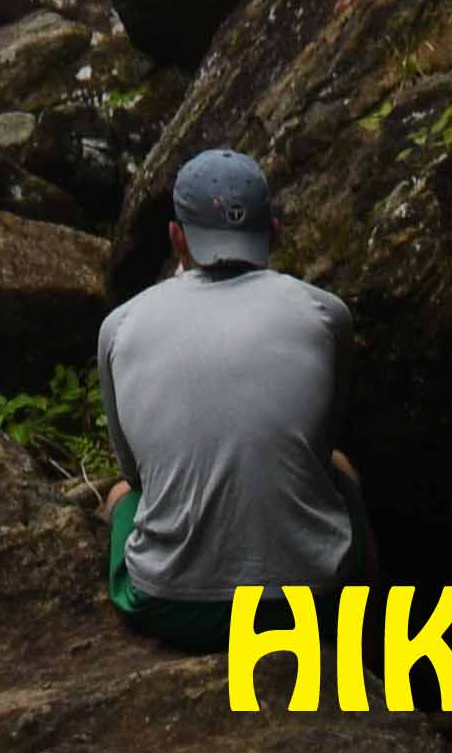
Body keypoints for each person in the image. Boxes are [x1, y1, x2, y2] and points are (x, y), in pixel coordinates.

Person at [95, 143, 365, 647]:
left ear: (176, 237)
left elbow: (137, 476)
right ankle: (364, 653)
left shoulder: (121, 326)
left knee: (119, 496)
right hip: (307, 606)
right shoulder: (328, 315)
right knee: (342, 468)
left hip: (172, 607)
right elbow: (321, 443)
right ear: (274, 232)